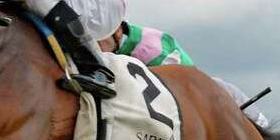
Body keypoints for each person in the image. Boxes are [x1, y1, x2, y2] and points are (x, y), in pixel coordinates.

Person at [106, 22, 269, 127]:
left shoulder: (150, 50)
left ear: (118, 31)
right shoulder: (124, 46)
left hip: (225, 105)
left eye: (99, 38)